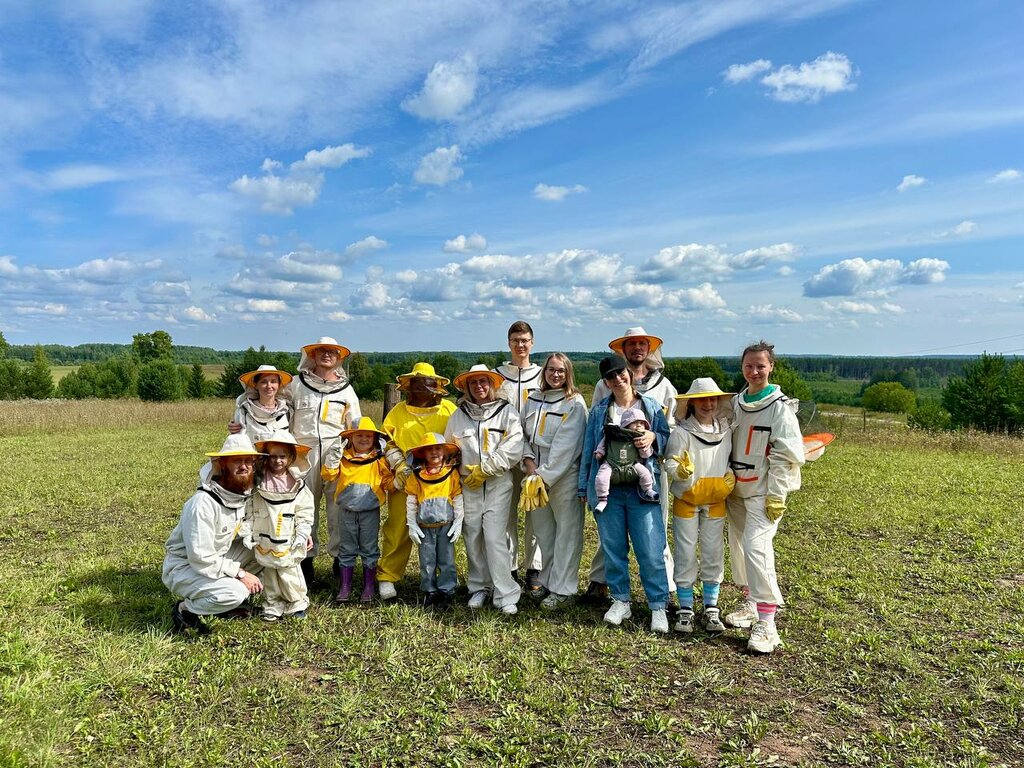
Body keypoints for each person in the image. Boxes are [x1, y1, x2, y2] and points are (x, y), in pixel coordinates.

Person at [228, 337, 361, 588]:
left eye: (331, 352)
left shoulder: (346, 390)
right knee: (301, 507)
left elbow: (355, 424)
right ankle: (304, 559)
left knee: (337, 509)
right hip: (300, 455)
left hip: (335, 454)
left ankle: (338, 561)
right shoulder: (298, 385)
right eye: (321, 351)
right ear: (311, 355)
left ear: (338, 357)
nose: (326, 355)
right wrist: (238, 418)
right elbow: (265, 399)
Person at [578, 356, 672, 633]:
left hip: (642, 490)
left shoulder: (651, 407)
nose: (617, 379)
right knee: (613, 549)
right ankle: (621, 600)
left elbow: (667, 440)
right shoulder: (598, 412)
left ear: (629, 373)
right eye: (610, 376)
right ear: (605, 382)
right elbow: (588, 451)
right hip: (608, 491)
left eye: (620, 373)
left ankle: (658, 604)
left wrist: (654, 437)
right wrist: (584, 486)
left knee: (651, 549)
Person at [725, 341, 805, 654]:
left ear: (771, 367)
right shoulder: (735, 402)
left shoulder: (779, 406)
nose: (755, 371)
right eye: (749, 366)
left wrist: (777, 494)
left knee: (757, 548)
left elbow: (787, 455)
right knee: (740, 547)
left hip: (764, 492)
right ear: (742, 368)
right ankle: (751, 603)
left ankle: (767, 622)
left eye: (760, 366)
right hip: (735, 489)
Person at [162, 434, 265, 634]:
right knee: (236, 592)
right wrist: (241, 574)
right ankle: (186, 610)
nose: (243, 466)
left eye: (247, 461)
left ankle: (223, 605)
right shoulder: (202, 504)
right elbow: (200, 558)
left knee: (266, 549)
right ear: (222, 465)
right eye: (237, 460)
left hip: (217, 557)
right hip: (185, 567)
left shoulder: (239, 495)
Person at [445, 365, 524, 615]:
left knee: (494, 536)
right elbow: (449, 449)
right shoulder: (458, 416)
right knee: (473, 534)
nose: (479, 387)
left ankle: (506, 592)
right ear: (466, 388)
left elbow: (514, 446)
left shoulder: (507, 412)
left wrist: (486, 469)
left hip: (498, 482)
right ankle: (479, 586)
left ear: (492, 384)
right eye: (473, 383)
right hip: (468, 484)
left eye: (483, 382)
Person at [377, 362, 458, 599]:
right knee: (398, 527)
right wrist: (399, 466)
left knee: (442, 531)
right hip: (406, 480)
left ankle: (443, 581)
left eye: (427, 383)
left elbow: (457, 443)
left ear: (436, 386)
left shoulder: (449, 410)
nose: (423, 388)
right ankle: (387, 577)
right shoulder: (398, 412)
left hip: (439, 482)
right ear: (409, 386)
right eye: (418, 383)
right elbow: (387, 443)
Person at [664, 378, 736, 634]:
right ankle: (685, 609)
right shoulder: (681, 433)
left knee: (713, 552)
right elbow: (670, 462)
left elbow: (730, 459)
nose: (708, 404)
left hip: (716, 500)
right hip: (687, 501)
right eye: (703, 399)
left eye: (712, 398)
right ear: (692, 403)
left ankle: (711, 609)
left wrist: (730, 476)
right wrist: (680, 472)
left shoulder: (726, 430)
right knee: (685, 551)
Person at [520, 353, 587, 610]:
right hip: (533, 474)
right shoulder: (533, 398)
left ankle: (564, 589)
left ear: (568, 373)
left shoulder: (574, 403)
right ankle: (547, 582)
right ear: (544, 371)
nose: (555, 374)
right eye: (551, 370)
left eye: (561, 370)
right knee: (544, 533)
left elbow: (566, 447)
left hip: (563, 475)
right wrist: (528, 464)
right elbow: (523, 435)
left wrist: (543, 476)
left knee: (567, 534)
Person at [240, 431, 315, 621]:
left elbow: (305, 509)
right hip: (264, 532)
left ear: (291, 457)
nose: (277, 461)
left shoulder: (297, 483)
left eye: (282, 456)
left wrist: (303, 532)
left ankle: (296, 602)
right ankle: (273, 603)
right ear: (266, 458)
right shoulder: (258, 480)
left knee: (289, 569)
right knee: (270, 569)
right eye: (272, 456)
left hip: (287, 533)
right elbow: (251, 505)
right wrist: (247, 529)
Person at [494, 320, 545, 594]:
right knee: (506, 514)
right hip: (504, 453)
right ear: (509, 343)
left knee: (535, 512)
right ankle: (509, 568)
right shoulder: (498, 375)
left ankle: (534, 568)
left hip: (535, 454)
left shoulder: (542, 375)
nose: (520, 345)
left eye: (525, 340)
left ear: (532, 343)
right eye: (516, 340)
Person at [321, 417, 393, 604]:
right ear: (350, 437)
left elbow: (388, 482)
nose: (364, 439)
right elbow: (328, 475)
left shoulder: (379, 459)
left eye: (368, 436)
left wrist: (400, 481)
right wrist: (332, 459)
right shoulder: (343, 458)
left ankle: (369, 586)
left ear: (374, 438)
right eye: (359, 435)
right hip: (346, 511)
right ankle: (345, 586)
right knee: (347, 548)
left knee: (369, 548)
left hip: (370, 510)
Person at [404, 432, 464, 610]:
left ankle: (447, 591)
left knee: (447, 561)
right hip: (425, 528)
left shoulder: (451, 474)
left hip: (446, 526)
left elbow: (458, 497)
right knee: (427, 561)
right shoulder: (416, 475)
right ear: (422, 454)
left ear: (444, 451)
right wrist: (411, 524)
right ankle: (430, 591)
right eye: (429, 450)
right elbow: (411, 500)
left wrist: (458, 521)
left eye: (438, 448)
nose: (434, 452)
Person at [591, 406, 659, 512]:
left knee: (645, 472)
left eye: (641, 423)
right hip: (611, 463)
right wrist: (600, 452)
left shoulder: (639, 437)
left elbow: (645, 455)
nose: (638, 426)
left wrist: (642, 447)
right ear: (626, 424)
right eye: (635, 423)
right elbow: (603, 444)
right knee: (601, 477)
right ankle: (602, 500)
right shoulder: (613, 434)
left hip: (632, 464)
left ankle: (648, 490)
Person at [231, 364, 293, 444]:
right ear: (256, 385)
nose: (269, 386)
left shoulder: (287, 411)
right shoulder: (244, 411)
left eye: (273, 381)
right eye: (263, 382)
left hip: (278, 457)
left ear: (279, 385)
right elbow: (237, 442)